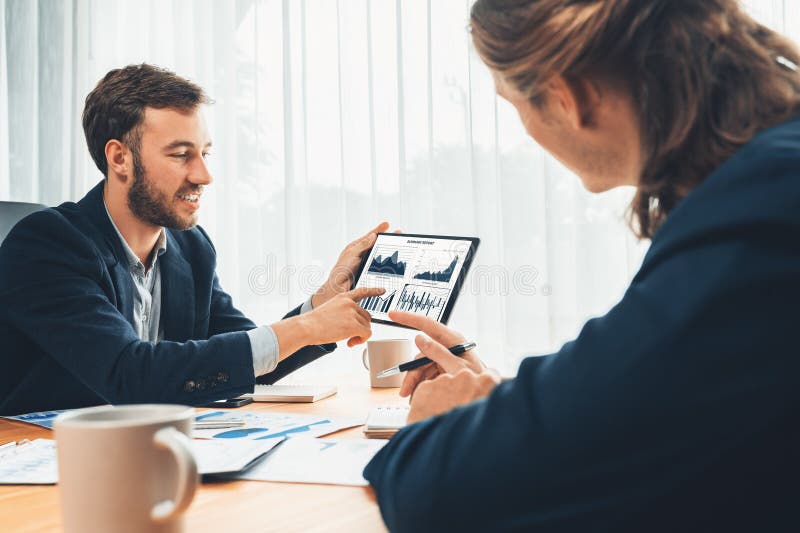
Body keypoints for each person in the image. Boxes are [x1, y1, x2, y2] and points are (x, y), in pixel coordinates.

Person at [364, 1, 800, 531]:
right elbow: (664, 407)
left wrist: (443, 424)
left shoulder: (759, 212)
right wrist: (515, 408)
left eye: (514, 103)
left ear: (566, 95)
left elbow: (438, 493)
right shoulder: (770, 178)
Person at [0, 64, 387, 415]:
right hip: (39, 467)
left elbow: (246, 359)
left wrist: (321, 303)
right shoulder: (47, 244)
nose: (204, 175)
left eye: (204, 153)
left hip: (144, 455)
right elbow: (130, 374)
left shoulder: (191, 249)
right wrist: (305, 329)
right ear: (120, 159)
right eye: (182, 155)